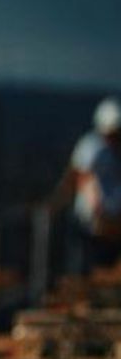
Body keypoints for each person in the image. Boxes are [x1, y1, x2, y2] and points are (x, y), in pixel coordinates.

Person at [49, 97, 121, 272]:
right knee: (90, 268)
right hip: (94, 224)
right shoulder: (91, 147)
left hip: (112, 224)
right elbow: (82, 177)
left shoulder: (111, 151)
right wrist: (97, 210)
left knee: (106, 268)